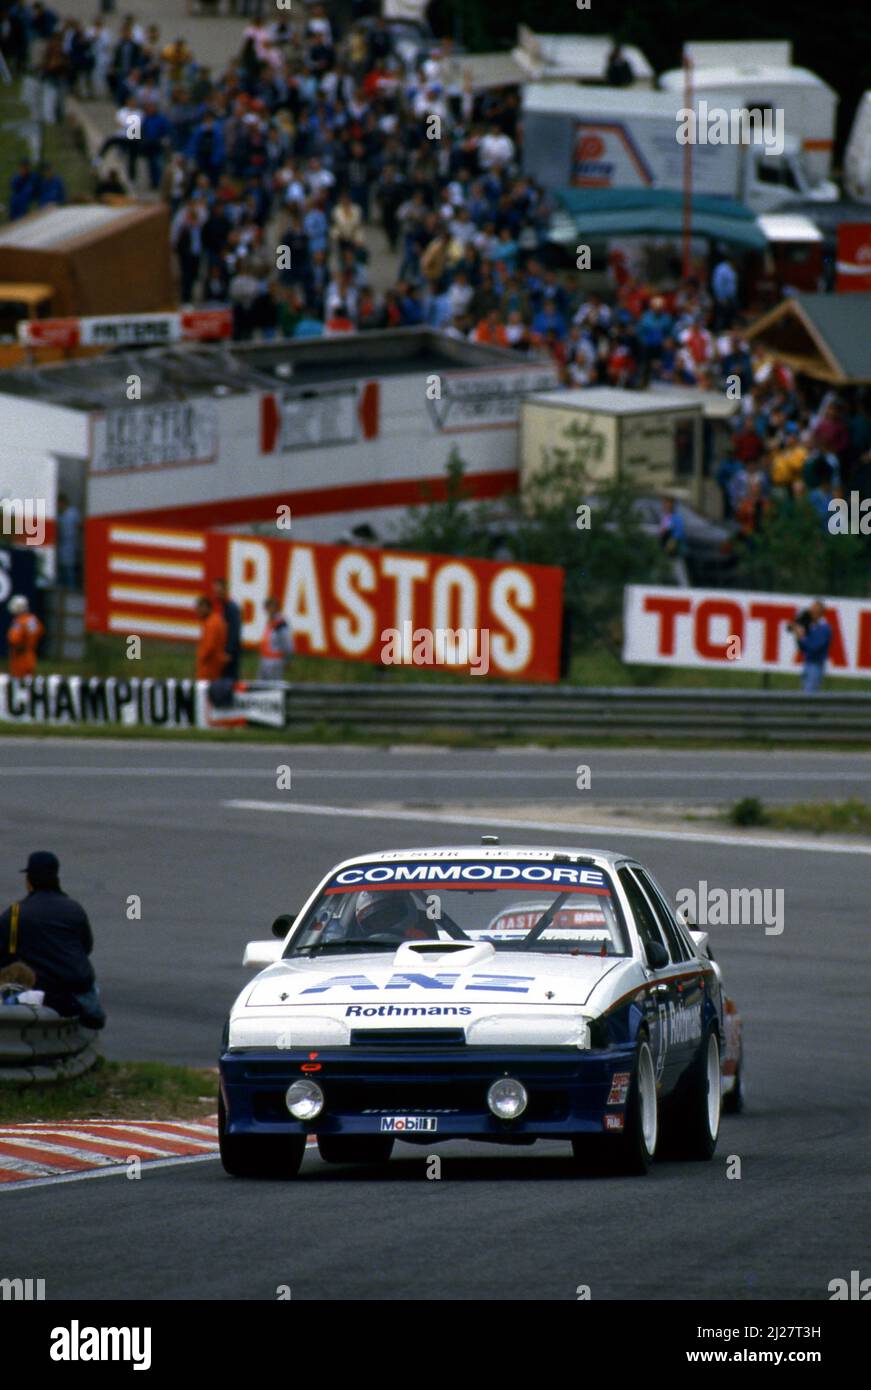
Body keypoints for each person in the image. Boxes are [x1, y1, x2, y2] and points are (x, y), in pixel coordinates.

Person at [0, 851, 106, 1028]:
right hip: (76, 990)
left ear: (29, 881)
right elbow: (86, 948)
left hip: (39, 989)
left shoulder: (15, 914)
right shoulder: (74, 909)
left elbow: (4, 956)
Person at [788, 600, 832, 693]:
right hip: (807, 662)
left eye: (813, 611)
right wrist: (798, 636)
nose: (811, 613)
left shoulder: (824, 628)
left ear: (819, 613)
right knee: (804, 691)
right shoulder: (811, 626)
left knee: (809, 693)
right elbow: (803, 648)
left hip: (816, 664)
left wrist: (802, 637)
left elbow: (814, 647)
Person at [6, 596, 44, 677]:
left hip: (20, 656)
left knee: (19, 682)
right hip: (31, 655)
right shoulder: (33, 619)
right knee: (29, 680)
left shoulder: (19, 622)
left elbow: (14, 639)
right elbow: (40, 632)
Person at [258, 596, 293, 680]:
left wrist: (287, 660)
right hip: (265, 660)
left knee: (274, 688)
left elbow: (287, 644)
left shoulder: (281, 624)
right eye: (267, 607)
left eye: (270, 607)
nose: (268, 610)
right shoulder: (270, 621)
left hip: (275, 662)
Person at [213, 577, 241, 679]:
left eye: (218, 591)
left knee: (228, 679)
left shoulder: (231, 608)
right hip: (221, 652)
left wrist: (228, 651)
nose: (216, 594)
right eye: (215, 591)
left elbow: (234, 632)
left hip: (228, 654)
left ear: (225, 590)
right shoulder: (222, 606)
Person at [195, 594, 227, 680]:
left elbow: (209, 646)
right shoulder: (217, 620)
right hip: (216, 665)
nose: (198, 611)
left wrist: (201, 657)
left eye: (199, 608)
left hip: (209, 667)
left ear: (205, 607)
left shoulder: (211, 623)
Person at [56, 491, 81, 588]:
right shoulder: (59, 516)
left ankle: (72, 588)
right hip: (62, 543)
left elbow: (79, 526)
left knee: (69, 568)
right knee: (62, 568)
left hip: (71, 543)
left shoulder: (73, 513)